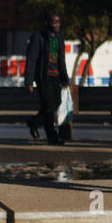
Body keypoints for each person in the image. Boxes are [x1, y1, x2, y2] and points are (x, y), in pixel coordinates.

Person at [24, 14, 70, 145]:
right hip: (43, 77)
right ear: (47, 23)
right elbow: (31, 59)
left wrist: (65, 79)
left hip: (56, 76)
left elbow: (62, 59)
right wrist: (29, 81)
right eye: (53, 22)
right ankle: (52, 137)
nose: (56, 25)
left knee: (56, 103)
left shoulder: (60, 36)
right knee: (49, 106)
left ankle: (34, 122)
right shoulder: (38, 37)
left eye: (58, 22)